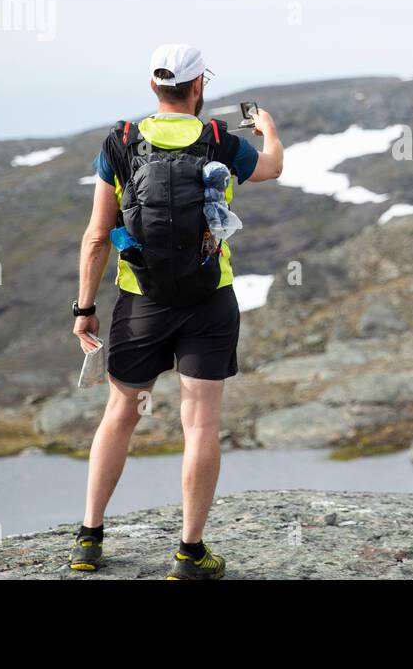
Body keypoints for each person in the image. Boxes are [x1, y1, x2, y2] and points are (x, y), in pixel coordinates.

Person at [68, 44, 283, 580]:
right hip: (210, 299)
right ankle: (190, 554)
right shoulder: (219, 142)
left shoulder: (120, 143)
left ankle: (89, 541)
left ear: (152, 87)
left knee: (119, 417)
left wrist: (85, 308)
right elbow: (274, 169)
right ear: (198, 87)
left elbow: (97, 236)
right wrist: (269, 130)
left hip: (140, 299)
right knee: (201, 424)